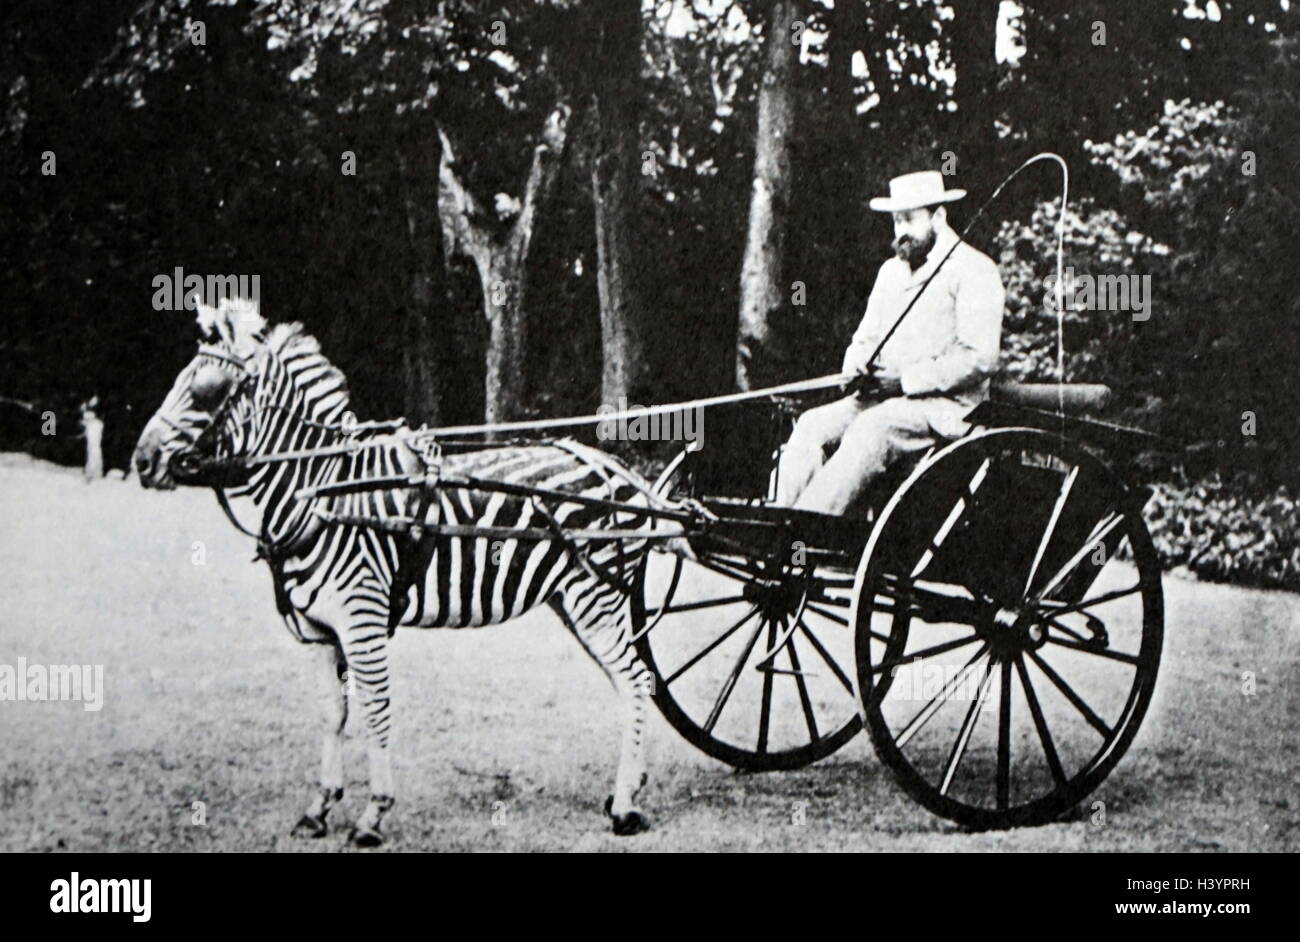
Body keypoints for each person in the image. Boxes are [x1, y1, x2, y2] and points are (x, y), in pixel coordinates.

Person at [777, 170, 1006, 515]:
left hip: (946, 409)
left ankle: (806, 527)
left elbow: (980, 358)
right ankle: (776, 517)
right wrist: (855, 369)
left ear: (939, 216)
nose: (901, 232)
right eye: (896, 221)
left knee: (872, 427)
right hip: (881, 400)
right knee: (812, 424)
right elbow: (865, 338)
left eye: (909, 220)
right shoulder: (891, 273)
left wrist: (905, 380)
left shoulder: (975, 270)